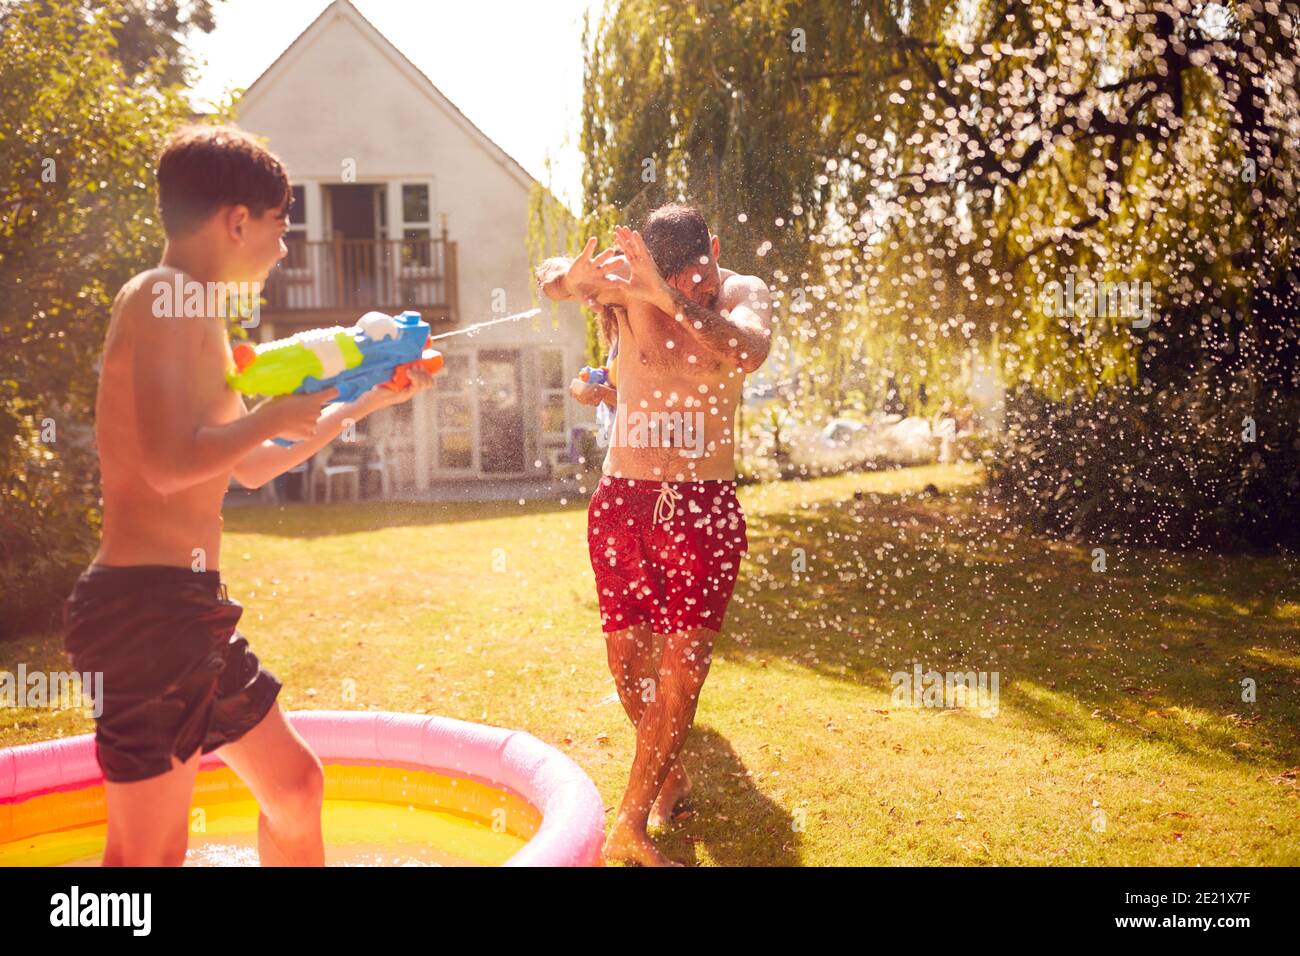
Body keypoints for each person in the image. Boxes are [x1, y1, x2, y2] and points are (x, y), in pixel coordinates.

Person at [63, 125, 434, 866]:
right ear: (238, 220)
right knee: (145, 862)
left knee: (295, 790)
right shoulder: (167, 297)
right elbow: (169, 464)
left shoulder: (192, 309)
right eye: (281, 227)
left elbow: (251, 464)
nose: (284, 248)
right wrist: (271, 413)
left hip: (186, 612)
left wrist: (360, 405)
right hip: (144, 615)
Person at [536, 204, 772, 865]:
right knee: (626, 662)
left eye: (699, 278)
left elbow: (749, 352)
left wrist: (664, 295)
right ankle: (668, 774)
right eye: (674, 282)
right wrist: (572, 275)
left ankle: (630, 824)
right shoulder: (627, 282)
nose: (690, 293)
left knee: (683, 669)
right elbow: (552, 278)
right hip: (625, 503)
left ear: (716, 251)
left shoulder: (743, 293)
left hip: (701, 506)